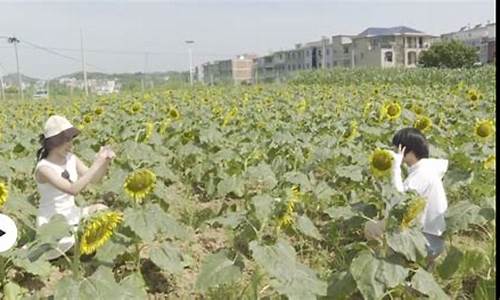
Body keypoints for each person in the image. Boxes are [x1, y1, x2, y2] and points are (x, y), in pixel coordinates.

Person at [34, 115, 115, 260]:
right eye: (66, 140)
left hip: (73, 214)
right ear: (53, 143)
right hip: (53, 224)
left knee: (102, 211)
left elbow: (95, 179)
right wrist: (97, 163)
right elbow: (73, 189)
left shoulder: (71, 158)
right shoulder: (44, 168)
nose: (70, 144)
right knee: (69, 242)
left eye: (71, 139)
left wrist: (105, 161)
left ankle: (80, 248)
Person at [365, 128, 448, 269]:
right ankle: (418, 266)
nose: (395, 151)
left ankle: (393, 268)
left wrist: (396, 168)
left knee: (371, 228)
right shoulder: (427, 169)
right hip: (431, 239)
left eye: (397, 147)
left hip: (424, 243)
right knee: (383, 224)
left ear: (406, 150)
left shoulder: (422, 174)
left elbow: (399, 205)